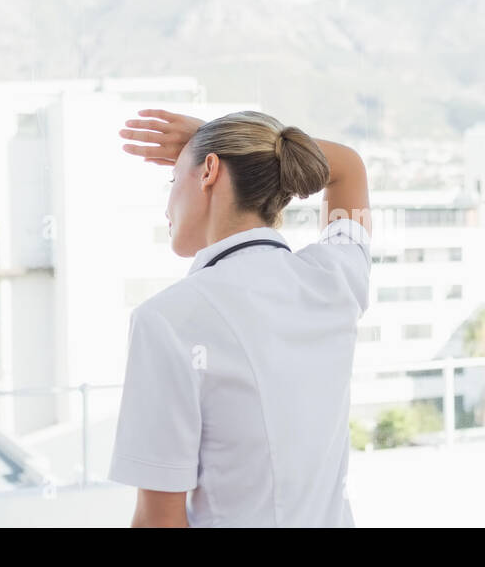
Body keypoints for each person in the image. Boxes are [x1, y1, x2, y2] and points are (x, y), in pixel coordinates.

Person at [107, 109, 372, 527]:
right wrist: (218, 140)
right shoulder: (337, 277)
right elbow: (348, 169)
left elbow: (159, 522)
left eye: (173, 179)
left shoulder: (167, 321)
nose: (167, 206)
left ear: (209, 170)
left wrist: (225, 143)